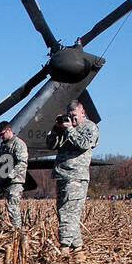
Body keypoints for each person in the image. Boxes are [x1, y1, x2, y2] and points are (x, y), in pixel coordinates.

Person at [46, 99, 99, 252]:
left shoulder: (90, 127)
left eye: (74, 115)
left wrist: (69, 129)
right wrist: (56, 129)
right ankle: (77, 248)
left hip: (76, 177)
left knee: (68, 213)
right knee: (65, 213)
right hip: (61, 175)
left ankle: (64, 247)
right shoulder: (64, 128)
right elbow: (50, 145)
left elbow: (83, 144)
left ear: (83, 113)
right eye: (69, 115)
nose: (72, 118)